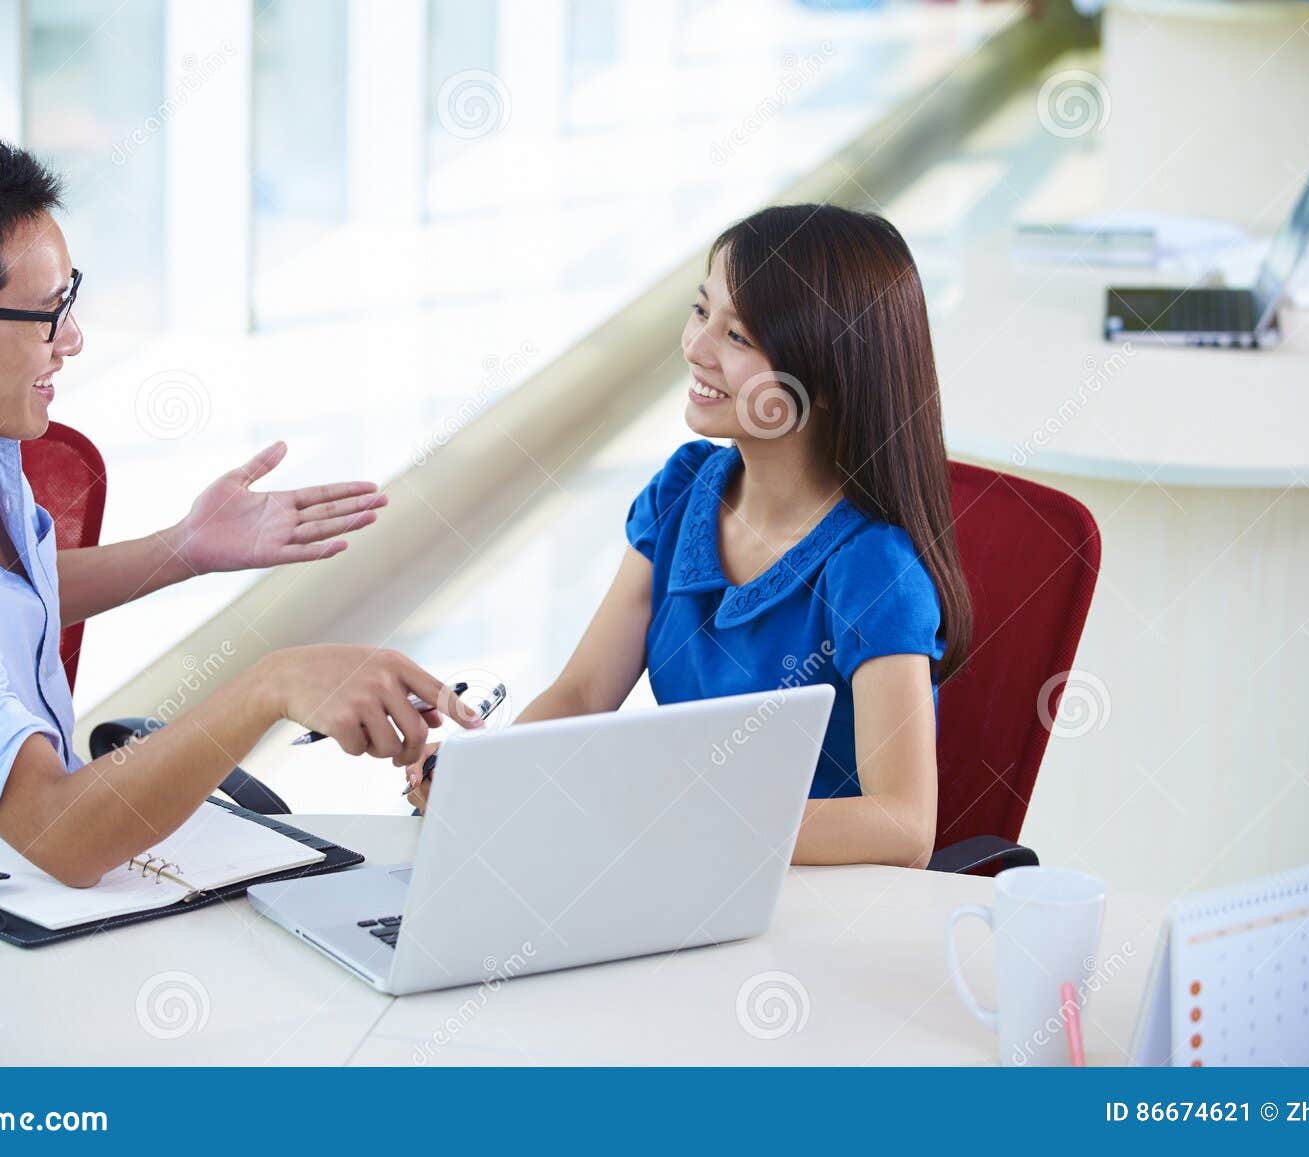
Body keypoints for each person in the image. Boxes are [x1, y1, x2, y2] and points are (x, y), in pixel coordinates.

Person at [0, 126, 474, 890]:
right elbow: (60, 831)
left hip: (30, 884)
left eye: (69, 297)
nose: (73, 338)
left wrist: (185, 547)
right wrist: (271, 685)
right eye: (47, 313)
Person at [406, 204, 972, 868]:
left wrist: (670, 816)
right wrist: (492, 775)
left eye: (738, 336)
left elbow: (904, 825)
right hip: (682, 872)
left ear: (825, 378)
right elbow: (584, 692)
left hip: (805, 898)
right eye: (702, 311)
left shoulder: (874, 569)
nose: (698, 348)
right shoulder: (683, 492)